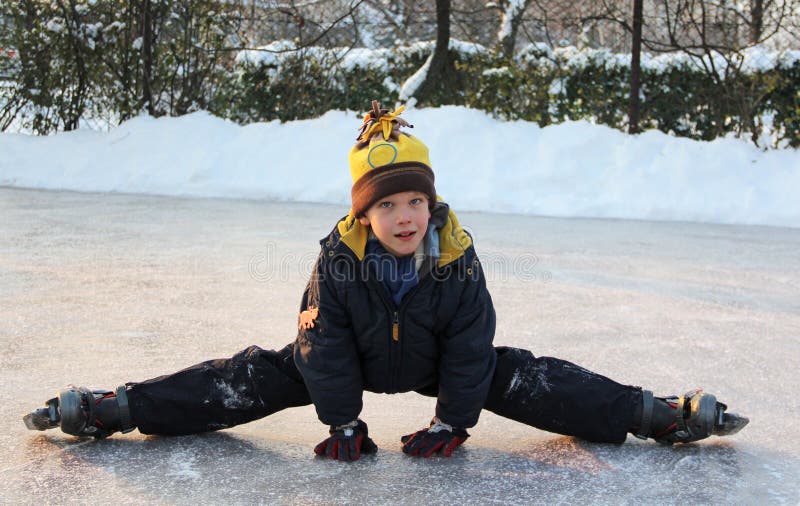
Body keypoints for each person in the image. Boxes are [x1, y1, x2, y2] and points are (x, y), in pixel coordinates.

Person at [23, 102, 748, 461]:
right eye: (387, 205)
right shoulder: (337, 261)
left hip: (435, 365)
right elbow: (324, 347)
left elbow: (470, 349)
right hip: (351, 363)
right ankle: (115, 409)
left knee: (518, 374)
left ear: (431, 205)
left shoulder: (458, 259)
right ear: (364, 214)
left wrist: (452, 421)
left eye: (415, 202)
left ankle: (655, 414)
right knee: (255, 373)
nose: (404, 217)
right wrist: (342, 419)